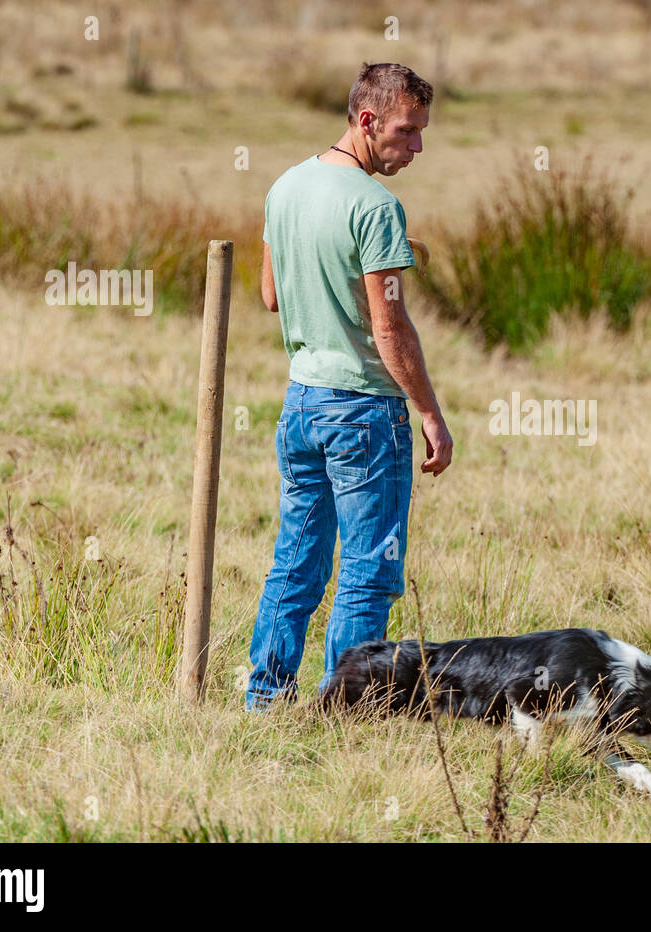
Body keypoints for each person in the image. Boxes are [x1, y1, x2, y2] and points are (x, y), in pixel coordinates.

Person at [246, 62, 453, 711]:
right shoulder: (376, 208)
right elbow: (390, 332)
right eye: (407, 131)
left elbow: (270, 295)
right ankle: (349, 711)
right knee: (369, 569)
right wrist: (430, 413)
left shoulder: (285, 187)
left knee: (297, 561)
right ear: (367, 121)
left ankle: (266, 696)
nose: (416, 147)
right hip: (365, 412)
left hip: (302, 403)